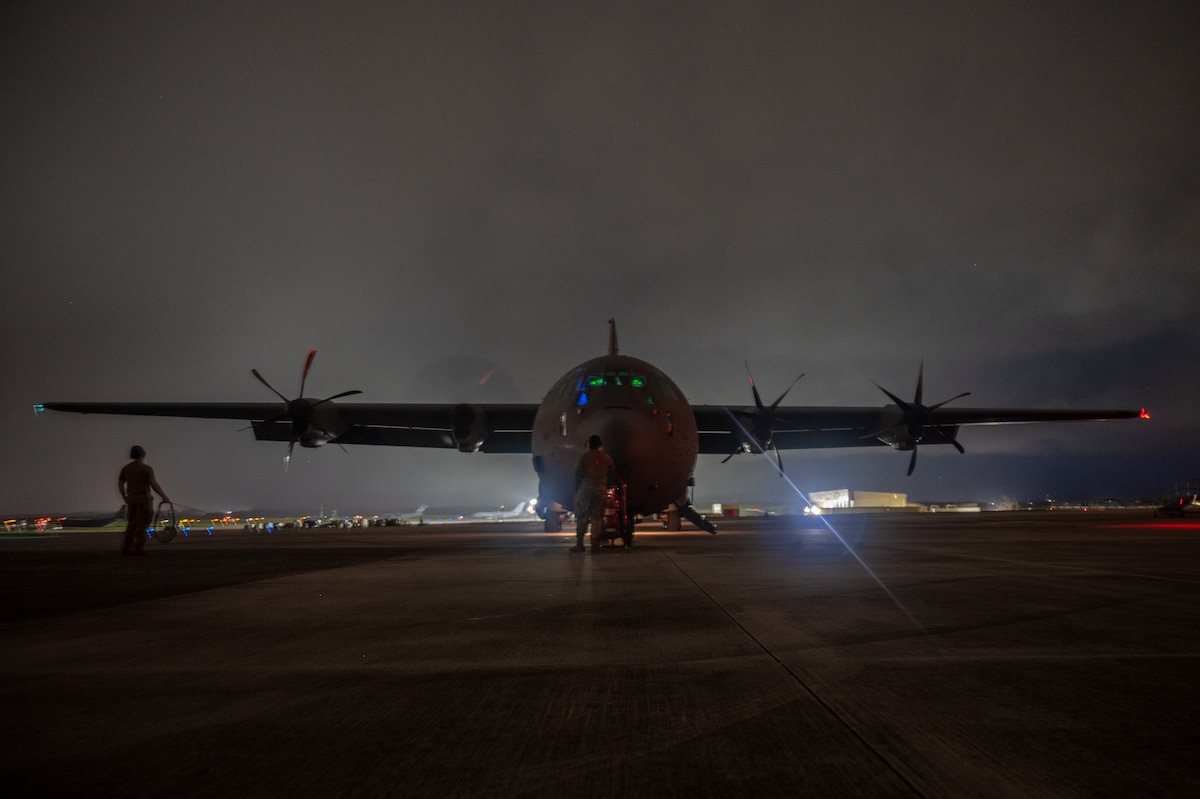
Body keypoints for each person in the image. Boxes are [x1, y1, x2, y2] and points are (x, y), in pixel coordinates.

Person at [118, 445, 170, 556]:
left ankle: (127, 547)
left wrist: (125, 497)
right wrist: (164, 497)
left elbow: (121, 483)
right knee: (142, 525)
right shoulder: (146, 468)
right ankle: (137, 548)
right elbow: (154, 484)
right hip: (144, 500)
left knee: (132, 524)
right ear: (143, 454)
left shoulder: (126, 469)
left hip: (131, 500)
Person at [572, 435, 620, 552]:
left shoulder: (583, 457)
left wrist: (576, 488)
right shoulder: (606, 458)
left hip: (585, 488)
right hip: (600, 490)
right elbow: (612, 470)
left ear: (589, 444)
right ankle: (595, 545)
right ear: (600, 445)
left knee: (582, 516)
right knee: (597, 518)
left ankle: (580, 544)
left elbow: (578, 473)